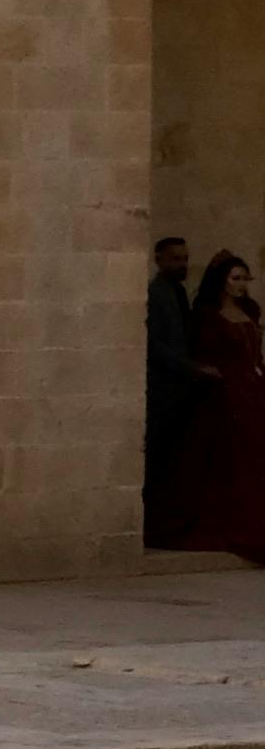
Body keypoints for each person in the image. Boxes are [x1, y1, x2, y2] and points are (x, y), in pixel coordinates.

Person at [184, 251, 265, 561]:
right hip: (227, 391)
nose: (241, 285)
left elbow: (255, 354)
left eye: (245, 278)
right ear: (221, 281)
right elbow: (204, 355)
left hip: (253, 387)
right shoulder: (207, 314)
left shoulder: (250, 309)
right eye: (235, 278)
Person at [149, 233, 208, 544]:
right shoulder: (156, 293)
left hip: (178, 390)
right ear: (159, 259)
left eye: (184, 258)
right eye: (175, 258)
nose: (181, 264)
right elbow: (154, 344)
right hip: (163, 391)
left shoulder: (178, 293)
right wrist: (191, 368)